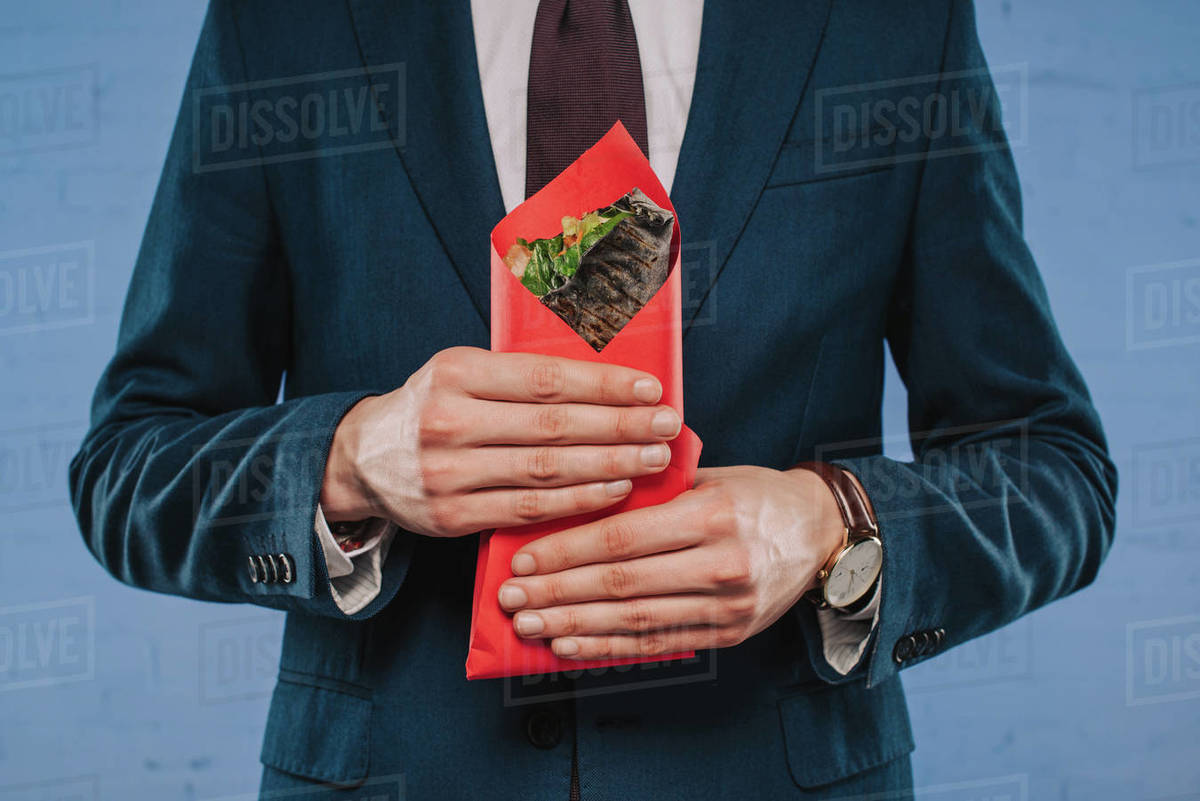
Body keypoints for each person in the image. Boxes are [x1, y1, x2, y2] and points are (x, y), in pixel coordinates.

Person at [70, 1, 1117, 798]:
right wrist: (347, 459)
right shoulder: (283, 24)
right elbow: (131, 462)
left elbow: (1054, 471)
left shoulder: (887, 24)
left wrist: (834, 524)